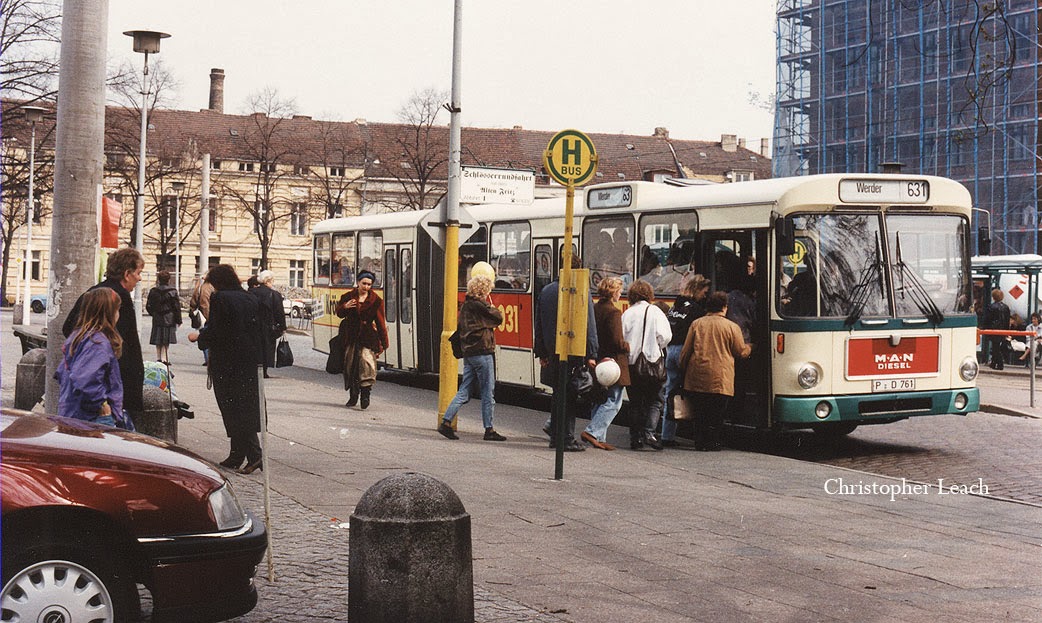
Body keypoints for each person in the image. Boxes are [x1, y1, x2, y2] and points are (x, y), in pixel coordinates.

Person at [188, 264, 265, 473]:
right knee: (244, 406)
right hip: (247, 362)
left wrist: (200, 337)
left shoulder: (221, 298)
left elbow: (218, 330)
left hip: (228, 361)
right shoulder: (250, 297)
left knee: (232, 408)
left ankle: (255, 454)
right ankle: (237, 454)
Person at [63, 247, 145, 424]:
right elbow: (124, 348)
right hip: (110, 395)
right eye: (138, 273)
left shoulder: (94, 292)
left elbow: (68, 328)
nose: (139, 278)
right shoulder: (117, 298)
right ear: (127, 273)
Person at [534, 256, 598, 452]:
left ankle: (555, 436)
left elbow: (539, 324)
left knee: (558, 395)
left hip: (553, 352)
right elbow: (589, 324)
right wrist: (592, 352)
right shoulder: (579, 291)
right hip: (573, 352)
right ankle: (567, 438)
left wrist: (541, 352)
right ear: (579, 271)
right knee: (569, 397)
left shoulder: (546, 291)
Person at [679, 291, 752, 451]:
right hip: (721, 378)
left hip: (697, 375)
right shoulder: (732, 327)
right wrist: (750, 347)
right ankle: (713, 442)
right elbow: (740, 352)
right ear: (724, 307)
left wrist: (683, 369)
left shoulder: (697, 324)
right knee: (717, 413)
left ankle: (700, 442)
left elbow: (685, 351)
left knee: (699, 412)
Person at [437, 275, 507, 441]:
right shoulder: (480, 306)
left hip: (469, 354)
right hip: (482, 352)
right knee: (488, 392)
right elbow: (498, 317)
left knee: (465, 390)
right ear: (484, 290)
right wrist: (491, 305)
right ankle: (489, 429)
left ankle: (446, 422)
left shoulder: (466, 305)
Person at [55, 288, 125, 426]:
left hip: (73, 411)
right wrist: (102, 404)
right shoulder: (97, 343)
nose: (118, 314)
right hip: (93, 416)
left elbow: (62, 373)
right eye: (117, 310)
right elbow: (84, 379)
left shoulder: (79, 336)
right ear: (109, 313)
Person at [621, 279, 671, 450]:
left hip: (632, 364)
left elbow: (622, 337)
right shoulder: (656, 312)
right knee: (655, 400)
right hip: (653, 362)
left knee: (635, 402)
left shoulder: (627, 313)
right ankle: (649, 433)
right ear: (649, 294)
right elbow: (665, 337)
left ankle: (635, 438)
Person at [661, 273, 710, 445]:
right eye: (704, 292)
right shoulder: (696, 311)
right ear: (697, 290)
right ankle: (698, 436)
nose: (705, 295)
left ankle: (667, 435)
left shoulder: (676, 306)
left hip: (671, 350)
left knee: (671, 392)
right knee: (694, 392)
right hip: (684, 351)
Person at [581, 277, 629, 450]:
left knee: (599, 399)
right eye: (619, 291)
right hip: (612, 363)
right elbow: (617, 341)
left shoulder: (595, 308)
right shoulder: (614, 312)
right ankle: (593, 432)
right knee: (614, 401)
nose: (620, 294)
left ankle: (599, 438)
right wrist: (628, 346)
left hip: (598, 360)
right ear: (613, 292)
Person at [336, 270, 389, 409]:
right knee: (350, 365)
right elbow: (339, 313)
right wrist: (345, 307)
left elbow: (381, 323)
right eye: (364, 283)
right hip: (351, 336)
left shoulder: (376, 301)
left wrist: (384, 343)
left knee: (367, 364)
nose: (366, 287)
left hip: (367, 337)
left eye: (369, 284)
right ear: (358, 282)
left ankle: (365, 394)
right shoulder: (348, 296)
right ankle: (353, 394)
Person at [251, 270, 287, 378]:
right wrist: (283, 327)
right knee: (267, 348)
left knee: (256, 347)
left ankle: (255, 369)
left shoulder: (252, 292)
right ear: (268, 281)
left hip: (254, 325)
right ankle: (264, 371)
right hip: (269, 326)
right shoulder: (274, 295)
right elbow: (279, 312)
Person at [146, 270, 182, 363]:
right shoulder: (173, 291)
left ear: (158, 279)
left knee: (158, 338)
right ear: (168, 279)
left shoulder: (153, 291)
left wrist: (153, 313)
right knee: (166, 339)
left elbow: (148, 305)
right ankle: (164, 358)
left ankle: (158, 357)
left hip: (157, 317)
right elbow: (176, 307)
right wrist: (178, 320)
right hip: (169, 318)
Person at [189, 273, 216, 365]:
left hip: (202, 317)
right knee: (213, 337)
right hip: (213, 316)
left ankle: (207, 358)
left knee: (203, 337)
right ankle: (212, 358)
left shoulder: (200, 288)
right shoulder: (215, 288)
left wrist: (192, 312)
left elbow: (193, 302)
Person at [985, 288, 1011, 370]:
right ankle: (993, 363)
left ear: (994, 297)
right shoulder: (1006, 307)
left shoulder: (991, 307)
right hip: (1003, 330)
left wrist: (986, 328)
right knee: (996, 347)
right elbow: (1007, 320)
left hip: (994, 330)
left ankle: (1000, 364)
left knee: (995, 347)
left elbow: (988, 319)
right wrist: (1007, 331)